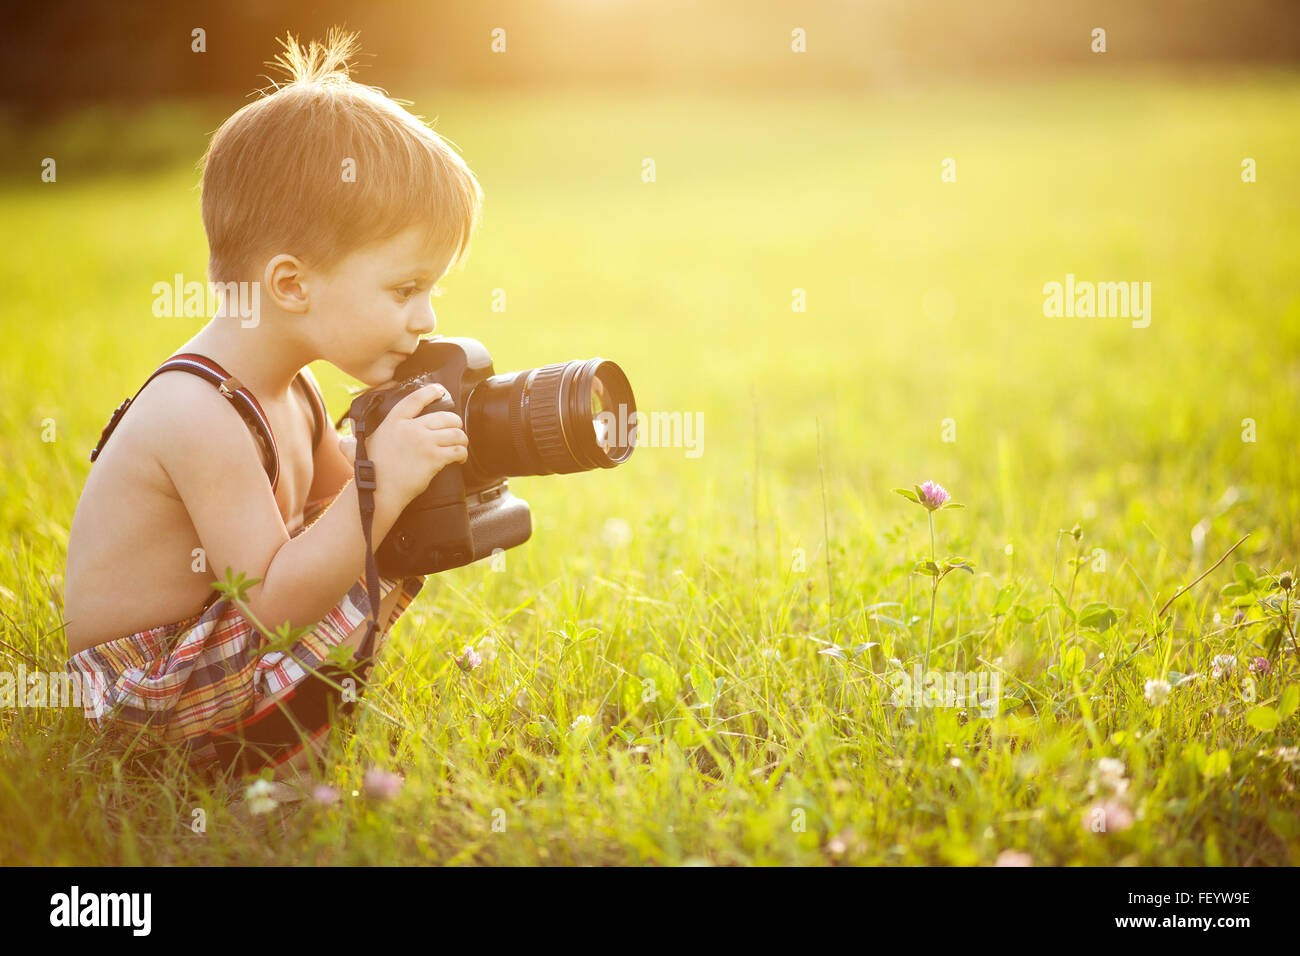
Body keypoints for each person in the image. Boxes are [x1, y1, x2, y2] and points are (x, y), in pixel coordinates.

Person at [62, 28, 480, 780]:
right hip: (150, 687)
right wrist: (380, 480)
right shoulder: (197, 414)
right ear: (291, 285)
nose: (427, 319)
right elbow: (276, 604)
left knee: (376, 531)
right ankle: (242, 753)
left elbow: (335, 513)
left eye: (432, 293)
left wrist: (434, 462)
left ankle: (281, 733)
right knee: (366, 523)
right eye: (405, 290)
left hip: (214, 644)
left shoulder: (296, 389)